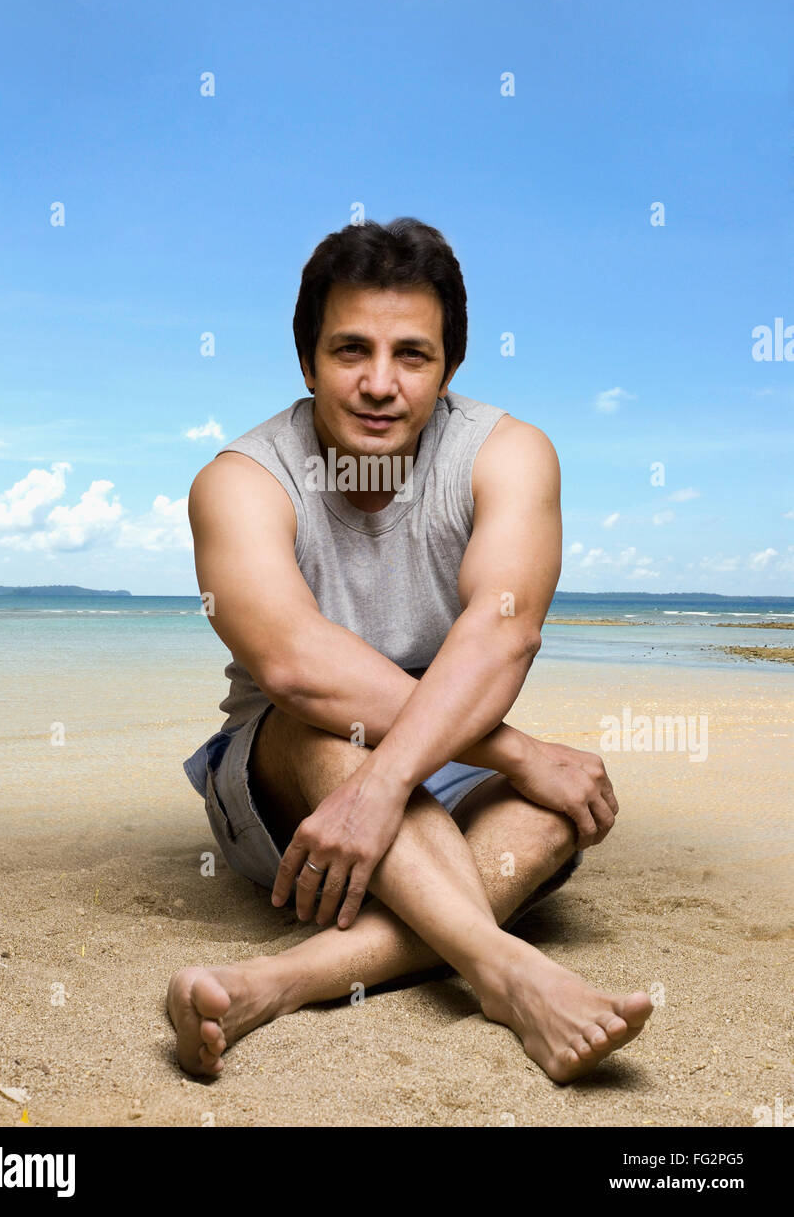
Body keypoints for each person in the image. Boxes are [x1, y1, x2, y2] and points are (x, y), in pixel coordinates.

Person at [168, 218, 653, 1085]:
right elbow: (292, 663)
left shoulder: (506, 454)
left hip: (434, 750)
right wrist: (511, 754)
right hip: (287, 766)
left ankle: (273, 983)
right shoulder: (240, 480)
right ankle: (505, 971)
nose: (379, 384)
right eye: (351, 350)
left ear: (451, 369)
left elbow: (504, 632)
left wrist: (400, 779)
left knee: (554, 813)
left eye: (413, 356)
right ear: (307, 360)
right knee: (335, 736)